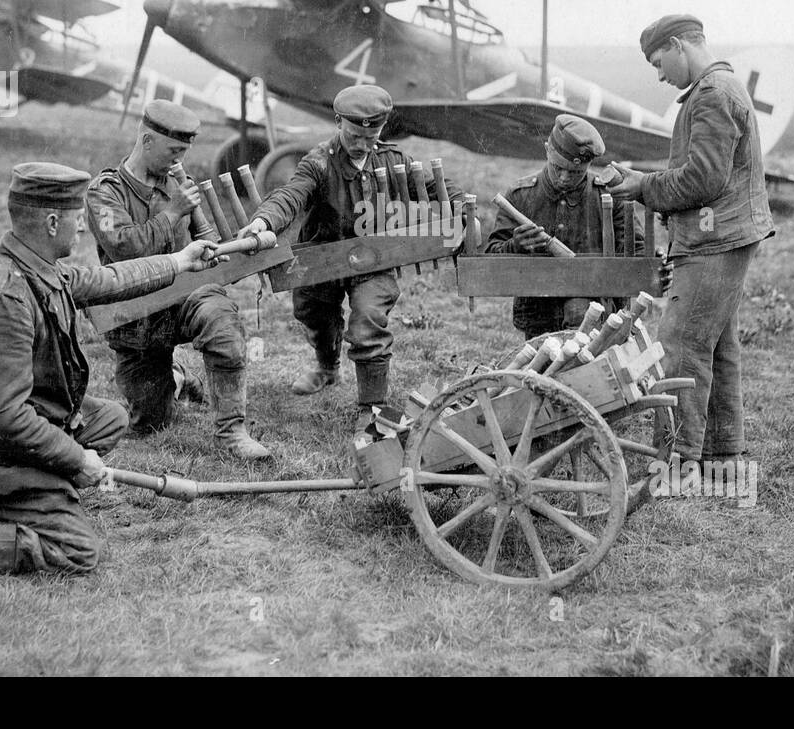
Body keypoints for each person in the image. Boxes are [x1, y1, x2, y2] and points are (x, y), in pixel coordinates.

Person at [0, 162, 224, 598]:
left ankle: (31, 494)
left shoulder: (38, 267)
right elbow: (4, 421)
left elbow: (109, 279)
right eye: (76, 218)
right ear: (52, 222)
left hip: (12, 427)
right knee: (77, 550)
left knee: (110, 419)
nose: (84, 230)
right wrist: (74, 459)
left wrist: (179, 261)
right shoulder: (5, 299)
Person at [237, 84, 466, 436]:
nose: (362, 143)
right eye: (354, 135)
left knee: (368, 319)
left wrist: (464, 208)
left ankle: (371, 410)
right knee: (314, 313)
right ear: (338, 121)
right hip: (323, 259)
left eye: (370, 136)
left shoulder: (393, 161)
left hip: (374, 262)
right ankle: (328, 369)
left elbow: (437, 186)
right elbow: (290, 196)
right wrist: (263, 221)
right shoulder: (317, 162)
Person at [608, 15, 774, 463]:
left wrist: (644, 186)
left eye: (659, 62)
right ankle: (724, 457)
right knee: (717, 347)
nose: (660, 75)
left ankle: (676, 461)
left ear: (679, 45)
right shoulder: (718, 88)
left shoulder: (712, 94)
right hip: (725, 235)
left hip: (715, 241)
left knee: (679, 347)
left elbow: (704, 180)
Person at [85, 100, 270, 461]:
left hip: (190, 294)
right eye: (173, 151)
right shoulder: (103, 193)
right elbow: (125, 250)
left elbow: (208, 240)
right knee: (151, 422)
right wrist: (173, 213)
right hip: (136, 312)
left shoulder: (177, 183)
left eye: (183, 152)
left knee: (224, 328)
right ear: (146, 140)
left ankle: (232, 431)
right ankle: (178, 378)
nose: (178, 161)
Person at [484, 113, 647, 339]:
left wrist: (648, 263)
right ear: (546, 150)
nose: (564, 178)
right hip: (537, 316)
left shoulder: (608, 196)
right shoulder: (520, 195)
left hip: (593, 318)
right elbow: (490, 257)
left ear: (589, 165)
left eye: (575, 172)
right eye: (558, 167)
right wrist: (515, 245)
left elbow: (635, 251)